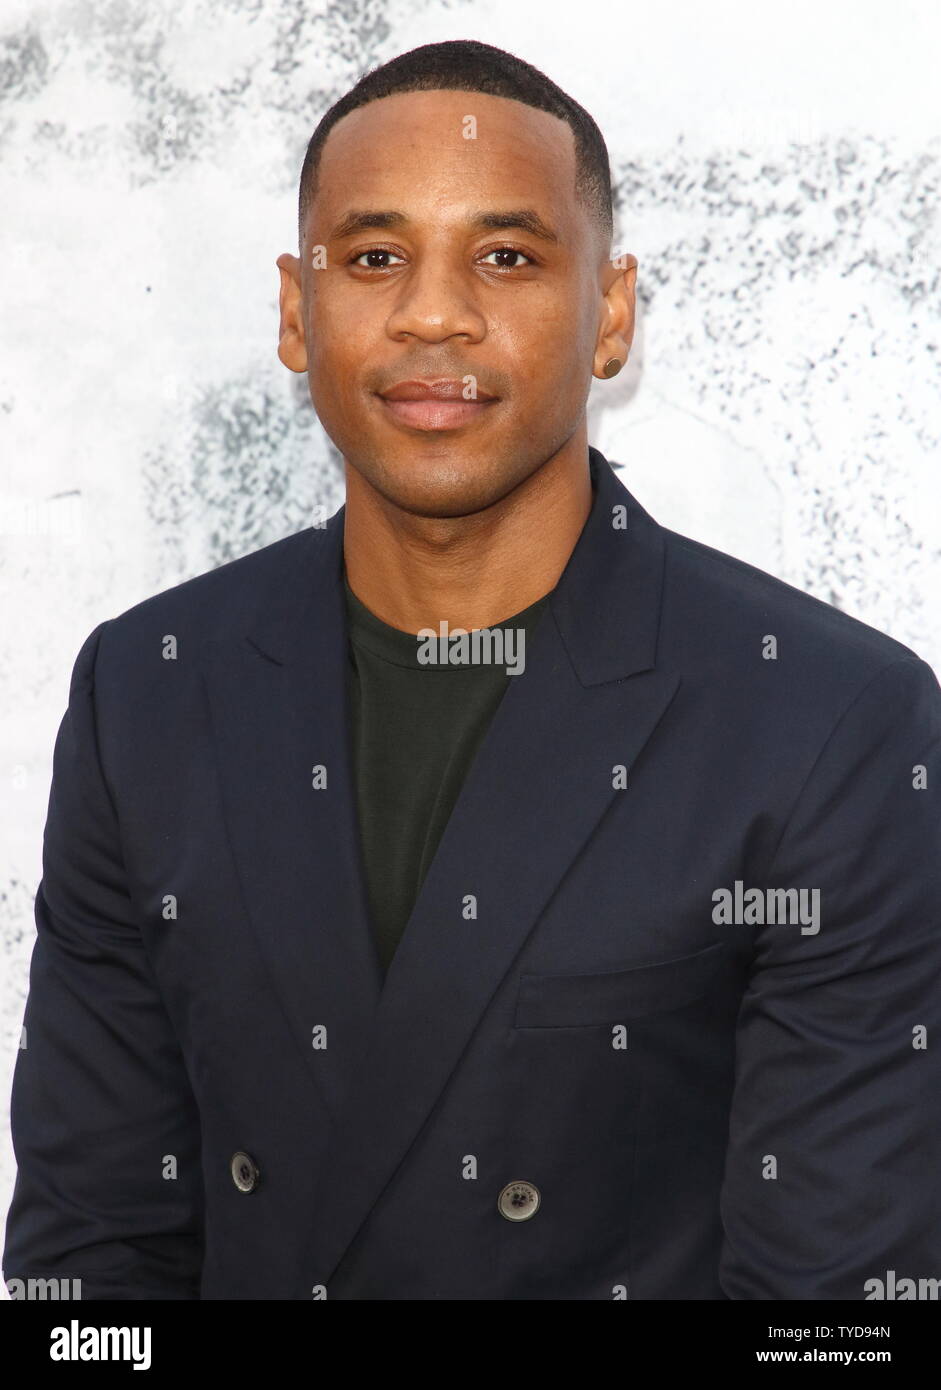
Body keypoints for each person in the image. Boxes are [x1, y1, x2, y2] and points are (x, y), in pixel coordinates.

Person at [4, 38, 940, 1302]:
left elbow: (833, 1317)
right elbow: (89, 1262)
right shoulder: (149, 694)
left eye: (505, 257)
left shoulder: (832, 727)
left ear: (609, 314)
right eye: (374, 256)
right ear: (296, 308)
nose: (432, 312)